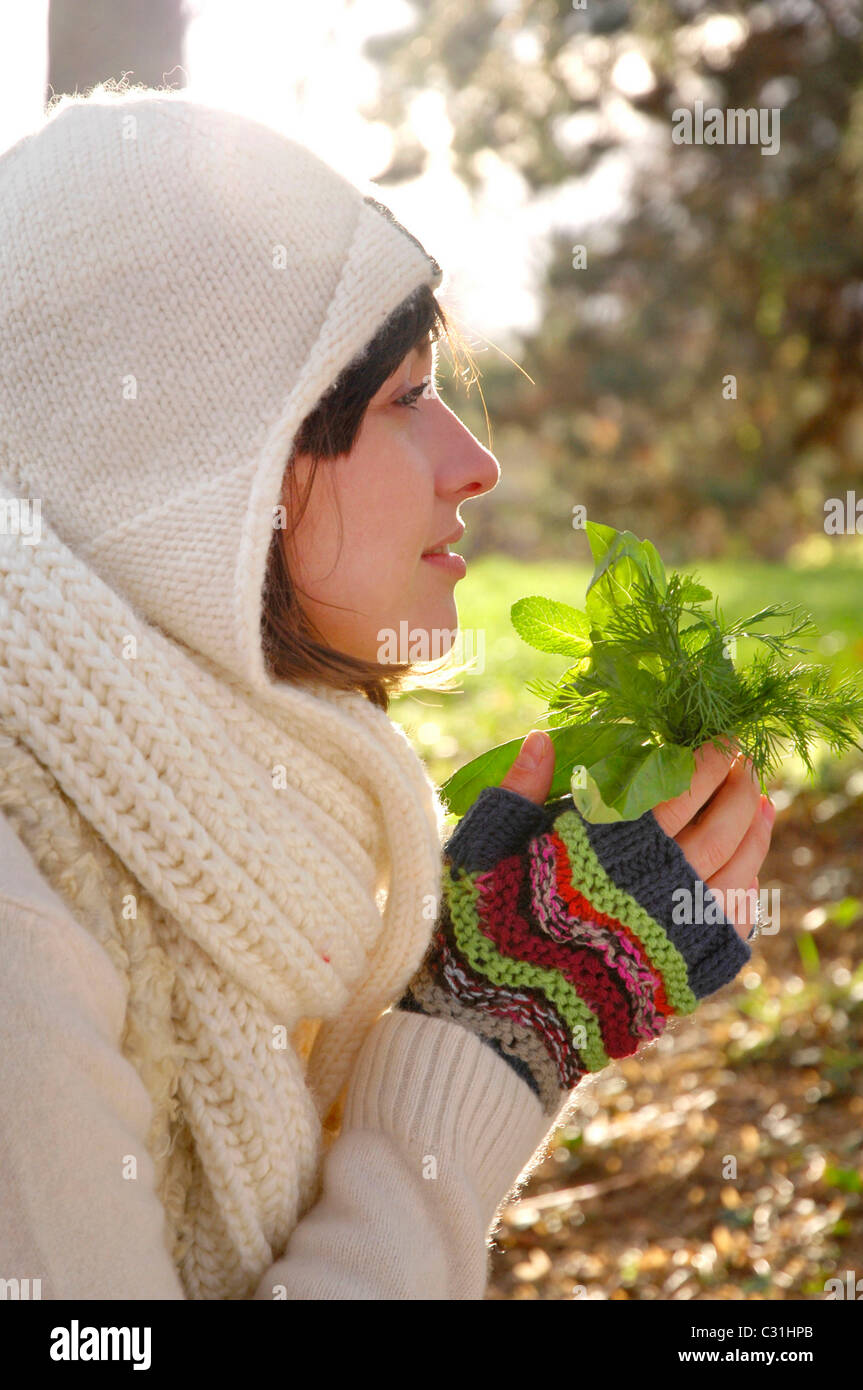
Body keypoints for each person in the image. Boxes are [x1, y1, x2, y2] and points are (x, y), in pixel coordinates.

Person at [0, 82, 775, 1301]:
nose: (478, 461)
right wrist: (489, 1043)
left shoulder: (191, 821)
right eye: (405, 399)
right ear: (212, 465)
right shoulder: (23, 930)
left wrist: (457, 999)